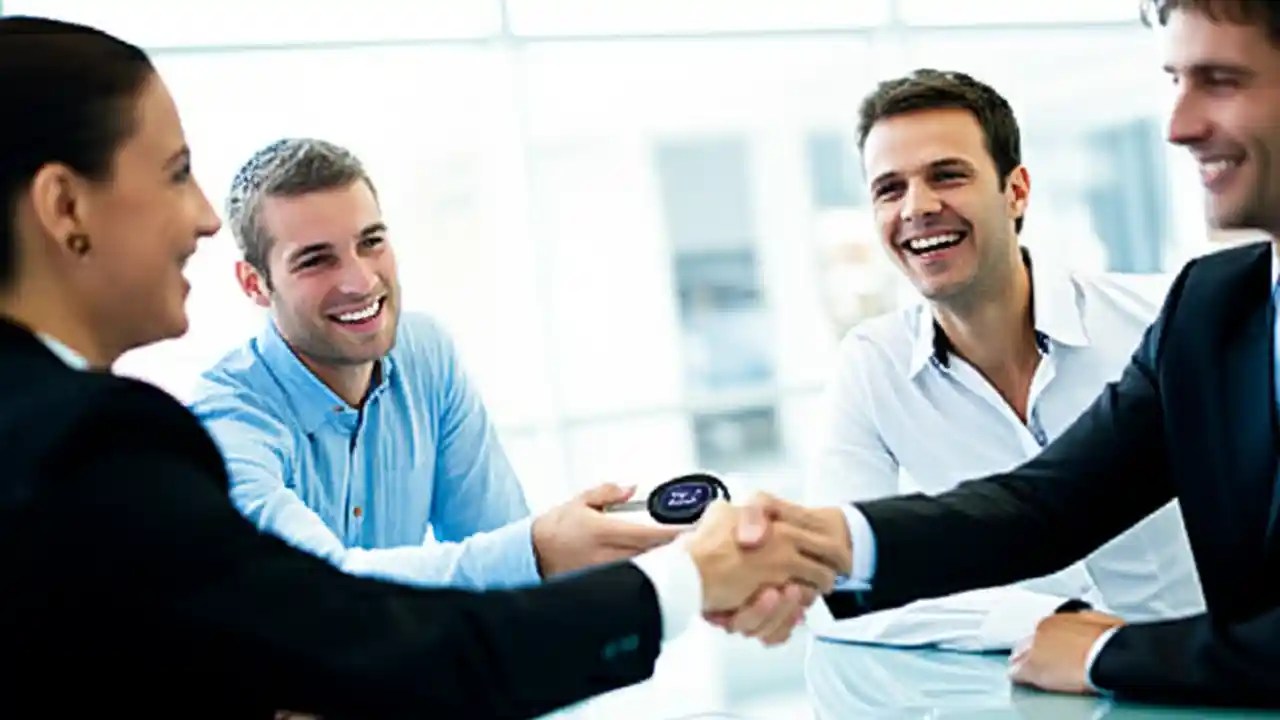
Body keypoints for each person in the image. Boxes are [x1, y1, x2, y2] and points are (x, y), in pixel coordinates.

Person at [0, 16, 848, 717]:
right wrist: (673, 582)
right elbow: (334, 614)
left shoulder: (422, 352)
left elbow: (493, 579)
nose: (200, 218)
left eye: (371, 241)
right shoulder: (109, 440)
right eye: (177, 173)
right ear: (64, 207)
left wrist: (574, 559)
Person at [737, 0, 1280, 707]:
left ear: (1015, 191)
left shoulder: (1155, 307)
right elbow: (1049, 504)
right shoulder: (1211, 308)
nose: (1178, 127)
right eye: (1175, 81)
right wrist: (828, 540)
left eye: (1221, 80)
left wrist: (1110, 651)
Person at [808, 68, 1203, 652]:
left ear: (1015, 191)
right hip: (1026, 689)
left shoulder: (1162, 317)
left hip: (1214, 674)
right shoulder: (871, 366)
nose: (917, 207)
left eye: (947, 175)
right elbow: (835, 586)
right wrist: (1045, 623)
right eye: (889, 189)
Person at [189, 137, 675, 590]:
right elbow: (321, 586)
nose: (360, 281)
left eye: (371, 242)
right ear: (254, 284)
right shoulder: (228, 421)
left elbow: (499, 545)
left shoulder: (424, 354)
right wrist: (541, 548)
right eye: (316, 260)